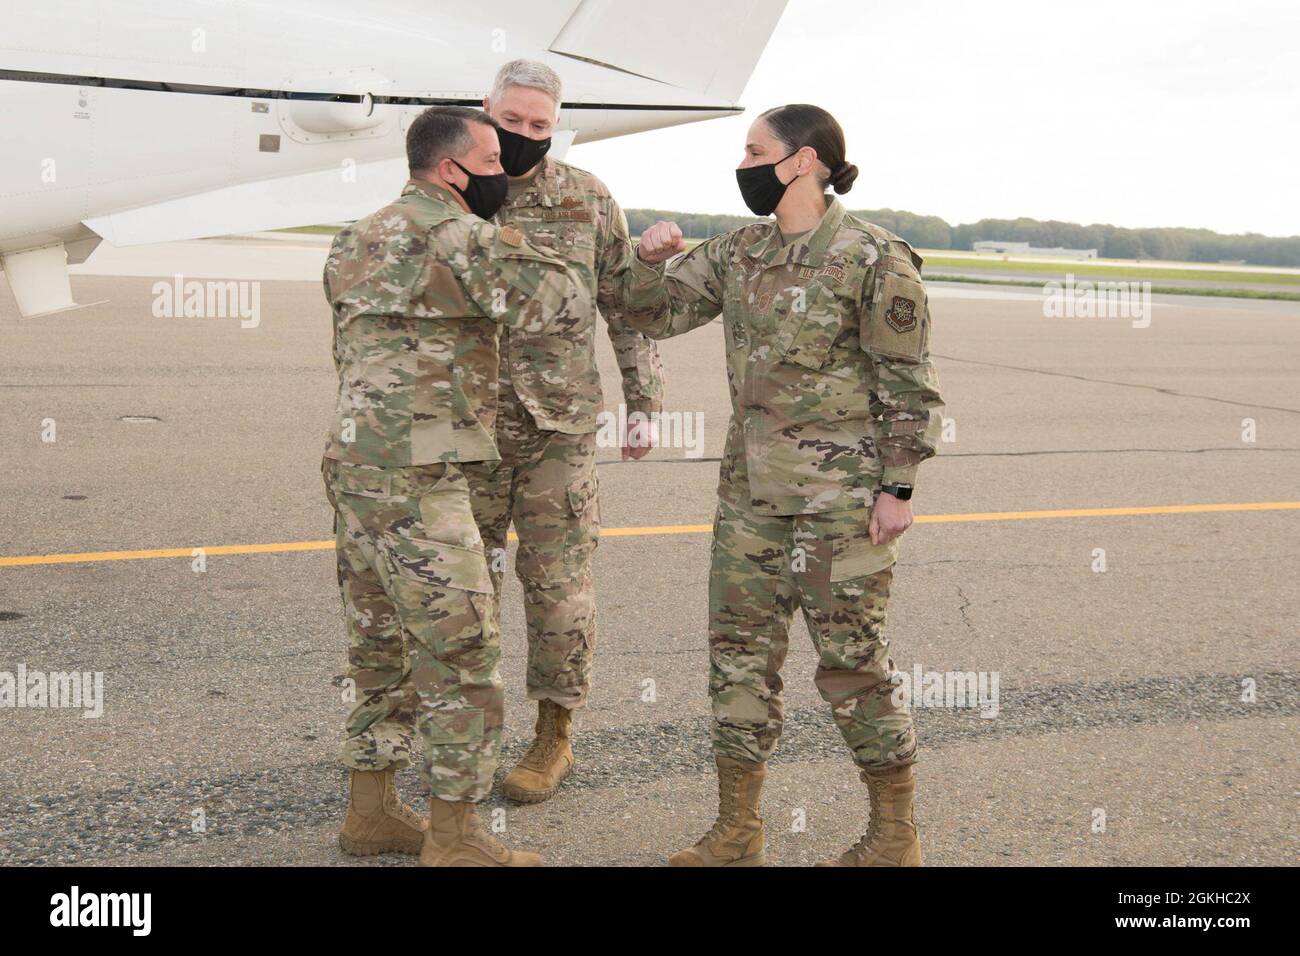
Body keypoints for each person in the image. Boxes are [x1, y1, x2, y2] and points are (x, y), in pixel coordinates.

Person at [621, 104, 944, 866]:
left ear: (803, 161)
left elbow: (910, 383)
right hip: (750, 500)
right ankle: (738, 828)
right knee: (736, 658)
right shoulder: (739, 252)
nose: (744, 163)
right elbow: (651, 313)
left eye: (754, 149)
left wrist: (897, 488)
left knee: (853, 664)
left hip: (842, 507)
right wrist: (647, 258)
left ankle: (894, 834)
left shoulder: (873, 258)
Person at [323, 105, 590, 866]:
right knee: (464, 657)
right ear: (451, 171)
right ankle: (457, 837)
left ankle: (369, 812)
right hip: (422, 478)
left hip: (355, 471)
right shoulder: (464, 239)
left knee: (381, 651)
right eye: (493, 164)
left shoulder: (353, 237)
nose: (504, 177)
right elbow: (564, 301)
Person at [470, 59, 665, 804]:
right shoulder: (455, 190)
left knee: (559, 594)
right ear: (485, 110)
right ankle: (468, 733)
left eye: (539, 126)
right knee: (461, 590)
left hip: (559, 432)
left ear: (556, 125)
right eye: (511, 122)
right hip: (468, 432)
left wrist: (645, 402)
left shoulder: (586, 197)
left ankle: (554, 737)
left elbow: (627, 304)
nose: (524, 136)